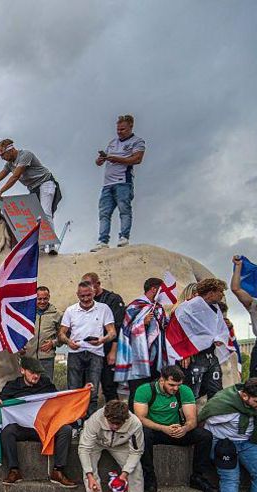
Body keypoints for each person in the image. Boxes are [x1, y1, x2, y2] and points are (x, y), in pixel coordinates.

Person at [0, 357, 77, 488]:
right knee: (7, 431)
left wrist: (82, 393)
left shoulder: (46, 384)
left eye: (38, 373)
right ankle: (14, 470)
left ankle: (58, 471)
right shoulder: (12, 386)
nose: (36, 376)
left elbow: (60, 401)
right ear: (22, 370)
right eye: (32, 372)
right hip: (21, 428)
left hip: (42, 427)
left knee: (66, 430)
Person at [132, 366, 218, 492]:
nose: (175, 389)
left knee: (205, 436)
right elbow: (140, 418)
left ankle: (198, 477)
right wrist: (163, 428)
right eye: (171, 385)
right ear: (162, 380)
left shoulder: (184, 391)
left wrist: (185, 428)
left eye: (178, 385)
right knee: (143, 433)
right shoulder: (144, 390)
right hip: (155, 430)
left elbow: (192, 420)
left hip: (176, 430)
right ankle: (149, 476)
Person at [78, 400, 155, 492]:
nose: (113, 427)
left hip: (121, 445)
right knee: (88, 468)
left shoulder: (135, 423)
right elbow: (84, 448)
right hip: (97, 442)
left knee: (136, 471)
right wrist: (90, 476)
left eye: (118, 424)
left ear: (125, 419)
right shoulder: (95, 419)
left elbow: (137, 451)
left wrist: (124, 474)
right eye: (111, 423)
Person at [0, 140, 62, 254]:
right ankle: (41, 247)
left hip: (45, 183)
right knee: (35, 217)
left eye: (3, 154)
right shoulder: (9, 164)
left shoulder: (25, 155)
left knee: (45, 213)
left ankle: (52, 246)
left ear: (11, 149)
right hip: (34, 189)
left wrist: (1, 192)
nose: (3, 158)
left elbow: (15, 176)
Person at [58, 280, 116, 421]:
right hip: (75, 353)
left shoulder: (104, 308)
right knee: (73, 390)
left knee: (93, 390)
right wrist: (68, 342)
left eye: (88, 295)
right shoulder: (70, 310)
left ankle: (90, 422)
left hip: (95, 353)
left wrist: (102, 340)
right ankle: (74, 421)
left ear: (94, 293)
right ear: (77, 295)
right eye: (82, 296)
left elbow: (112, 332)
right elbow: (61, 333)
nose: (85, 299)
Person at [92, 114, 146, 251]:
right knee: (104, 213)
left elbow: (137, 159)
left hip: (123, 181)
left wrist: (115, 158)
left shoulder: (137, 141)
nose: (119, 132)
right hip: (107, 184)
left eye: (122, 129)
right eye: (118, 129)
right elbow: (99, 162)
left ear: (130, 127)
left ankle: (124, 237)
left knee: (124, 209)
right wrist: (101, 159)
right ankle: (102, 241)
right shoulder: (112, 143)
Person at [176, 278, 230, 400]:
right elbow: (179, 330)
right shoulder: (187, 307)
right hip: (194, 356)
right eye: (220, 291)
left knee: (216, 391)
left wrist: (220, 337)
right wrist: (185, 353)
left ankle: (215, 418)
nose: (222, 295)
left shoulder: (215, 308)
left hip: (210, 355)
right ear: (211, 293)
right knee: (192, 392)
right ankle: (188, 418)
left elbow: (219, 329)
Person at [115, 277, 169, 399]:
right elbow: (125, 331)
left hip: (156, 357)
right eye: (162, 290)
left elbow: (164, 327)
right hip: (137, 358)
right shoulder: (135, 306)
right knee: (137, 392)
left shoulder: (159, 308)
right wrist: (142, 323)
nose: (164, 294)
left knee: (154, 391)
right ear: (154, 289)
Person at [82, 272, 125, 403]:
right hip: (90, 352)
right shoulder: (86, 300)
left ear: (98, 284)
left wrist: (113, 351)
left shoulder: (113, 299)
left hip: (108, 350)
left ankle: (116, 417)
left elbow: (118, 327)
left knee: (109, 386)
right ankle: (86, 420)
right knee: (88, 387)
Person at [21, 287, 60, 381]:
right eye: (39, 299)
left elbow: (64, 336)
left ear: (49, 297)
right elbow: (19, 332)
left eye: (45, 299)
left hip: (46, 358)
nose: (42, 302)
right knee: (28, 387)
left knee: (45, 387)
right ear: (35, 298)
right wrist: (20, 346)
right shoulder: (26, 313)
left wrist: (53, 343)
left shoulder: (57, 314)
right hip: (28, 358)